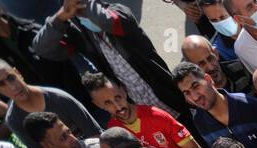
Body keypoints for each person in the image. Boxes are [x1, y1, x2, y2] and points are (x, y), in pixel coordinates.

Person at [32, 0, 190, 122]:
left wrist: (87, 4)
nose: (82, 13)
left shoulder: (120, 13)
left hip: (170, 100)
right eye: (77, 10)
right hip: (138, 115)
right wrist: (61, 16)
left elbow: (105, 20)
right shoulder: (80, 37)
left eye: (84, 6)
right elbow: (42, 48)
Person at [0, 56, 100, 148]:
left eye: (11, 78)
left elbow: (96, 136)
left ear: (18, 72)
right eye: (1, 84)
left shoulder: (58, 97)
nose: (13, 87)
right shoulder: (14, 120)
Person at [172, 61, 257, 148]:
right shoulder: (200, 122)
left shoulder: (250, 106)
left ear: (208, 79)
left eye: (196, 86)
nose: (195, 97)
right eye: (187, 93)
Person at [82, 72, 203, 148]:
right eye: (108, 103)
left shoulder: (157, 116)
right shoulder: (114, 131)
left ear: (124, 90)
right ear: (98, 104)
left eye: (117, 98)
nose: (118, 107)